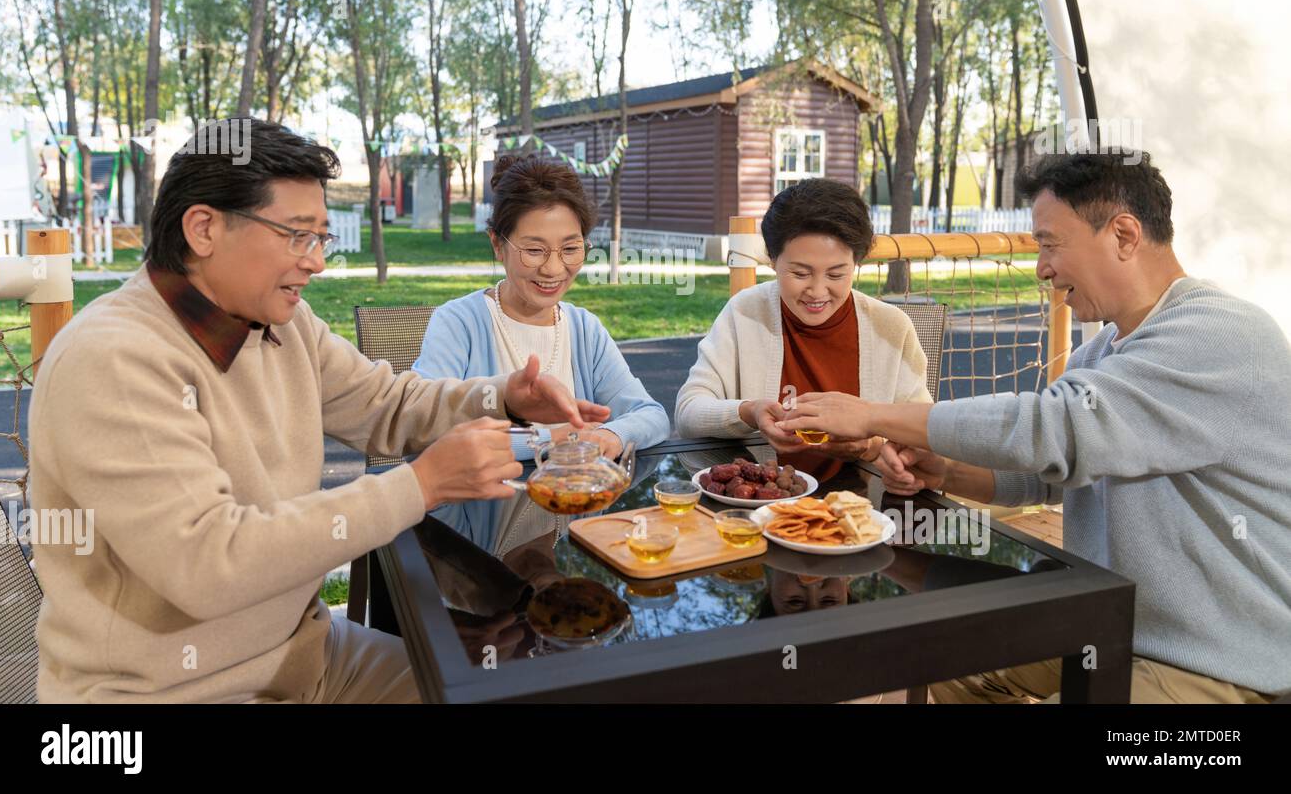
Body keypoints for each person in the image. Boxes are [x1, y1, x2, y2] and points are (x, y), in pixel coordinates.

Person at [28, 120, 607, 703]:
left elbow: (385, 404)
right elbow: (208, 564)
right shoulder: (113, 359)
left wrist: (502, 396)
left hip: (308, 656)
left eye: (321, 238)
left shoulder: (281, 321)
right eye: (296, 235)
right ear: (203, 228)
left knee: (516, 687)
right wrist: (420, 486)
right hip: (170, 692)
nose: (317, 263)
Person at [780, 151, 1291, 703]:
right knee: (932, 661)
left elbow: (1053, 426)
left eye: (1050, 243)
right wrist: (946, 469)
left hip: (1221, 665)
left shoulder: (1221, 335)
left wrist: (871, 413)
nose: (1043, 267)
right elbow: (1047, 475)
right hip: (1106, 625)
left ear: (1123, 234)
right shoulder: (1103, 351)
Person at [414, 153, 669, 545]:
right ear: (498, 245)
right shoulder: (459, 323)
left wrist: (608, 438)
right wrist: (561, 442)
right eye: (534, 250)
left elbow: (651, 415)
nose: (553, 270)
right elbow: (426, 427)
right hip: (478, 541)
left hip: (573, 535)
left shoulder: (583, 328)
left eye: (571, 249)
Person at [675, 178, 931, 482]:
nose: (817, 291)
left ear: (856, 263)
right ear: (772, 260)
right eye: (800, 273)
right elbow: (689, 411)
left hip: (859, 512)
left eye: (837, 273)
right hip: (761, 509)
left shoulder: (891, 327)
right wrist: (750, 411)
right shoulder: (745, 312)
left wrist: (874, 449)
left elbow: (922, 430)